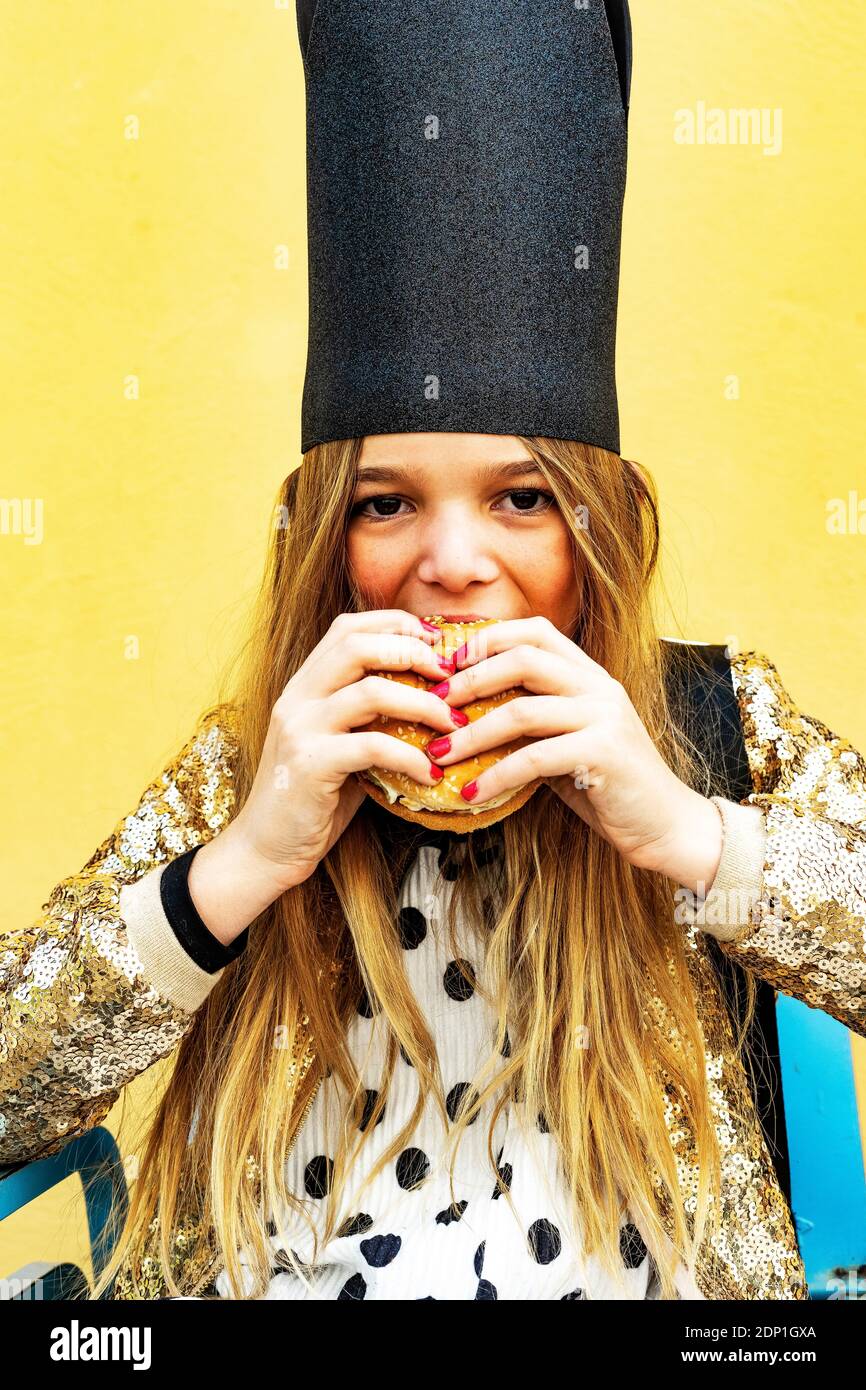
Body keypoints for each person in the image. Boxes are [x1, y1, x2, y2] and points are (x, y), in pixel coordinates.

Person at [2, 2, 864, 1301]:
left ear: (601, 530)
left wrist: (686, 829)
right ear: (324, 538)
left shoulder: (708, 724)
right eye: (386, 500)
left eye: (519, 498)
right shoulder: (258, 766)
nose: (451, 560)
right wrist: (237, 868)